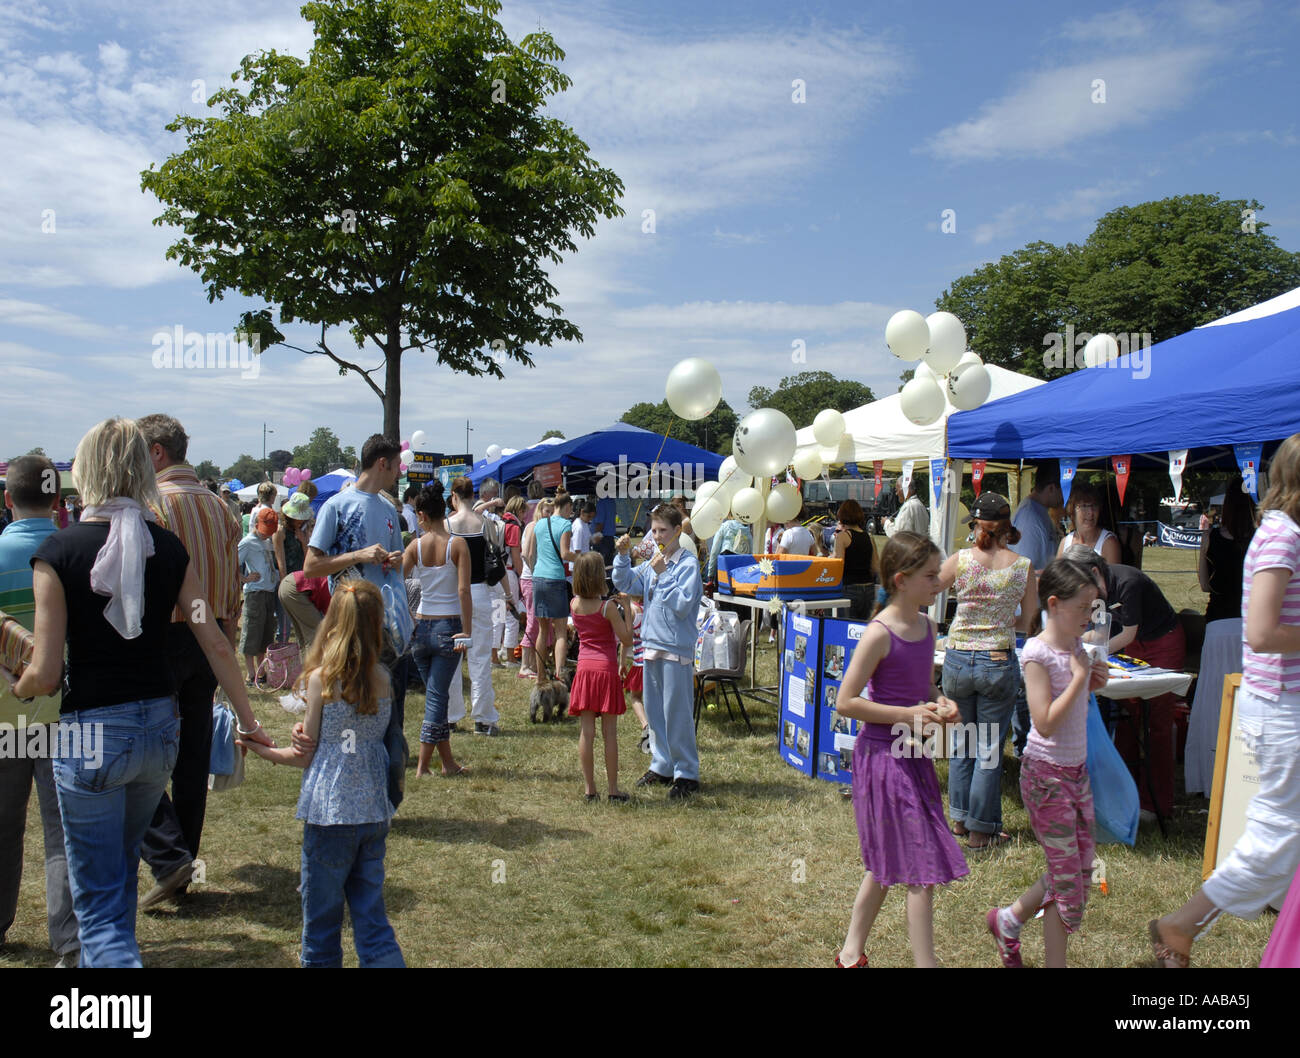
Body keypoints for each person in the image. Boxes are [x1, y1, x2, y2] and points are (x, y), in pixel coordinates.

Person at [9, 418, 270, 967]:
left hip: (92, 736)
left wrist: (20, 677)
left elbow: (47, 672)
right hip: (158, 731)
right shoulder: (168, 548)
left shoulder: (59, 553)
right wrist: (247, 720)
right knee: (118, 881)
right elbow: (216, 640)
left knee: (100, 906)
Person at [1148, 433, 1300, 967]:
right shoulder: (1282, 538)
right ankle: (1182, 924)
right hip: (1283, 707)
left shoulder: (1279, 533)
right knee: (1278, 835)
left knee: (1278, 835)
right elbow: (1260, 632)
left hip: (1280, 704)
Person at [240, 579, 405, 968]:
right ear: (377, 621)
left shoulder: (322, 681)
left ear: (333, 621)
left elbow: (303, 755)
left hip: (329, 814)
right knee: (373, 921)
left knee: (320, 929)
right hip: (372, 811)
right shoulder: (385, 680)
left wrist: (259, 748)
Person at [834, 532, 968, 968]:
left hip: (914, 756)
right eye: (931, 575)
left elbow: (923, 688)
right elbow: (845, 701)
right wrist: (905, 715)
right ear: (901, 579)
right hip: (882, 759)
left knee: (888, 860)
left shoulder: (928, 628)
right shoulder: (879, 633)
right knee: (919, 866)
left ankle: (850, 953)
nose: (940, 582)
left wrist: (940, 702)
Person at [133, 413, 247, 911]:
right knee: (192, 755)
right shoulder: (222, 508)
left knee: (138, 753)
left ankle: (168, 854)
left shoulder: (151, 506)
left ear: (157, 453)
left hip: (165, 636)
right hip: (211, 639)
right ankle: (182, 860)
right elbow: (235, 582)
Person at [986, 559, 1109, 968]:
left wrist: (1089, 680)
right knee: (1067, 880)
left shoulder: (1075, 649)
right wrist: (1078, 679)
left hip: (1076, 774)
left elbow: (1072, 705)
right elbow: (1044, 722)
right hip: (1045, 776)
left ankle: (1009, 919)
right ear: (1054, 605)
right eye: (1082, 608)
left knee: (1082, 867)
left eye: (1093, 608)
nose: (1089, 617)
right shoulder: (1038, 653)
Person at [0, 455, 78, 966]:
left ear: (8, 498)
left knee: (3, 825)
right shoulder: (70, 552)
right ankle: (69, 941)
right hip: (62, 713)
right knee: (62, 832)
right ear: (57, 501)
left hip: (4, 714)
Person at [303, 434, 407, 808]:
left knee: (391, 716)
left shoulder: (389, 510)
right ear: (383, 463)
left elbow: (390, 562)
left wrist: (393, 561)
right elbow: (312, 565)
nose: (398, 473)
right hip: (349, 625)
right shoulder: (337, 506)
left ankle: (387, 797)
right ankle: (348, 794)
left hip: (387, 626)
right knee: (351, 712)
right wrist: (357, 554)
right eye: (396, 466)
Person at [938, 492, 1036, 849]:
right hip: (997, 660)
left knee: (963, 744)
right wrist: (1000, 616)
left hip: (959, 658)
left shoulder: (960, 560)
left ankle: (961, 820)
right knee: (989, 749)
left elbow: (930, 587)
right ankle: (982, 829)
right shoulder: (1022, 566)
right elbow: (1028, 621)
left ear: (978, 525)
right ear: (1007, 526)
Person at [1064, 544, 1184, 821]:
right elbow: (1096, 632)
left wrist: (1096, 653)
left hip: (1162, 643)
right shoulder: (1095, 593)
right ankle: (1123, 793)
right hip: (1133, 647)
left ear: (1094, 572)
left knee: (1157, 725)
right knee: (1129, 720)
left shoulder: (1127, 582)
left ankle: (1156, 804)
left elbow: (1127, 635)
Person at [613, 503, 704, 800]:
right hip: (651, 645)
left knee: (676, 712)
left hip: (675, 647)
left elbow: (681, 605)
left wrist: (663, 573)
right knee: (655, 711)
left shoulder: (688, 564)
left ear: (678, 531)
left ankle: (686, 771)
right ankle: (662, 763)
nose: (657, 535)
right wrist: (624, 556)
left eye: (663, 530)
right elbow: (625, 583)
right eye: (653, 530)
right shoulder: (654, 560)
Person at [403, 482, 473, 777]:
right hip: (449, 627)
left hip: (421, 629)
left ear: (421, 515)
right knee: (436, 697)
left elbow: (397, 583)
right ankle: (422, 766)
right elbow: (463, 591)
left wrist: (407, 618)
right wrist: (467, 632)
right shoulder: (457, 544)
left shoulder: (414, 546)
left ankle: (448, 763)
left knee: (437, 695)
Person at [568, 552, 633, 802]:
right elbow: (626, 639)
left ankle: (589, 789)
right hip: (605, 669)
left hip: (584, 669)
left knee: (586, 733)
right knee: (610, 733)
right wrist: (626, 607)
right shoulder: (607, 608)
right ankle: (613, 790)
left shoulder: (574, 604)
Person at [446, 476, 501, 736]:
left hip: (454, 593)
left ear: (454, 496)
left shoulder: (448, 524)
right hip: (479, 591)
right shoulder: (485, 523)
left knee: (453, 657)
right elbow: (495, 556)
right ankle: (482, 718)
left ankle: (450, 716)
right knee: (480, 658)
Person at [527, 491, 577, 684]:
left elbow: (531, 554)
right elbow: (565, 554)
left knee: (542, 630)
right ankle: (559, 675)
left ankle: (540, 676)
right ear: (566, 506)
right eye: (571, 509)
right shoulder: (565, 524)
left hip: (538, 577)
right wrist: (581, 558)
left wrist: (534, 573)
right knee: (560, 632)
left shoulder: (539, 523)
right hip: (555, 578)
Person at [1199, 477, 1257, 623]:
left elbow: (1205, 585)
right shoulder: (1261, 538)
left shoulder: (1211, 537)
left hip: (1218, 620)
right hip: (1250, 621)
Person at [239, 508, 281, 685]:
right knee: (251, 633)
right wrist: (245, 578)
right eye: (264, 531)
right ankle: (250, 673)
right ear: (256, 525)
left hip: (269, 592)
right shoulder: (247, 542)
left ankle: (261, 671)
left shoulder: (268, 541)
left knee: (266, 633)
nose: (266, 535)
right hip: (255, 593)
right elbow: (231, 563)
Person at [1010, 463, 1062, 572]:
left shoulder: (1039, 511)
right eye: (1064, 490)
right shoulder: (1029, 519)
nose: (1065, 496)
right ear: (1051, 488)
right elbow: (1023, 570)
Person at [493, 495, 526, 667]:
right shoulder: (514, 527)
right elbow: (515, 555)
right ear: (519, 510)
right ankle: (510, 657)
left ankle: (494, 657)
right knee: (512, 615)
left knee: (497, 615)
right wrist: (522, 575)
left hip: (496, 572)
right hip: (510, 572)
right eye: (523, 513)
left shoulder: (499, 523)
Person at [1057, 482, 1121, 565]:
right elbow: (1056, 576)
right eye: (1084, 506)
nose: (1090, 512)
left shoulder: (1108, 543)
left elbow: (1112, 577)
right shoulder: (1065, 543)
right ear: (1072, 510)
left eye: (1094, 505)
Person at [619, 591, 651, 753]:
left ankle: (646, 726)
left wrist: (622, 662)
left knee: (635, 697)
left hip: (640, 661)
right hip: (655, 659)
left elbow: (626, 640)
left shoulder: (631, 610)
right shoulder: (652, 608)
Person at [834, 499, 876, 620]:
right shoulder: (869, 537)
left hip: (849, 588)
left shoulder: (843, 537)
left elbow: (838, 565)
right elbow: (874, 566)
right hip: (868, 588)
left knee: (847, 629)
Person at [704, 515, 752, 583]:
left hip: (725, 563)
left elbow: (715, 551)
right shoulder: (747, 530)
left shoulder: (724, 526)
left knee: (723, 590)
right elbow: (750, 554)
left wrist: (711, 574)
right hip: (741, 568)